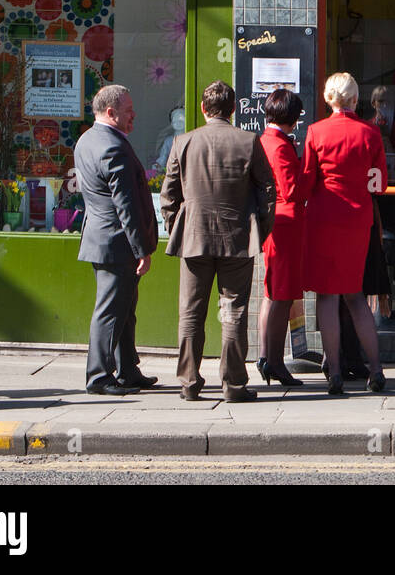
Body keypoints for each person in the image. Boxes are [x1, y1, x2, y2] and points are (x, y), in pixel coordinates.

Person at [160, 80, 275, 403]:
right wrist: (260, 231)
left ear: (202, 108)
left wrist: (176, 227)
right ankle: (234, 384)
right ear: (234, 108)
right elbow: (268, 192)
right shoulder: (249, 141)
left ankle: (188, 381)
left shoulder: (183, 142)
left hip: (194, 237)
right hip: (237, 237)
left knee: (191, 312)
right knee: (234, 311)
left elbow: (168, 196)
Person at [303, 72, 389, 394]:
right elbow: (379, 184)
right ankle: (376, 370)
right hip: (357, 221)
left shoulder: (316, 132)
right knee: (356, 297)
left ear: (328, 99)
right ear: (355, 99)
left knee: (327, 296)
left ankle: (335, 372)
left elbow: (308, 181)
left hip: (325, 218)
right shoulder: (369, 133)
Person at [73, 84, 158, 396]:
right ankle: (99, 376)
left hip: (101, 237)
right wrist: (142, 249)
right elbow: (126, 204)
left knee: (123, 308)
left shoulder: (86, 140)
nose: (133, 114)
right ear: (111, 113)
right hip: (116, 241)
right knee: (110, 310)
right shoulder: (113, 146)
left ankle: (126, 370)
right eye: (128, 110)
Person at [256, 89, 309, 387]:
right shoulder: (279, 145)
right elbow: (292, 190)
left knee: (273, 293)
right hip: (287, 223)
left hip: (274, 223)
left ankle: (266, 357)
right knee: (282, 295)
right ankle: (274, 361)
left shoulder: (266, 139)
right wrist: (309, 173)